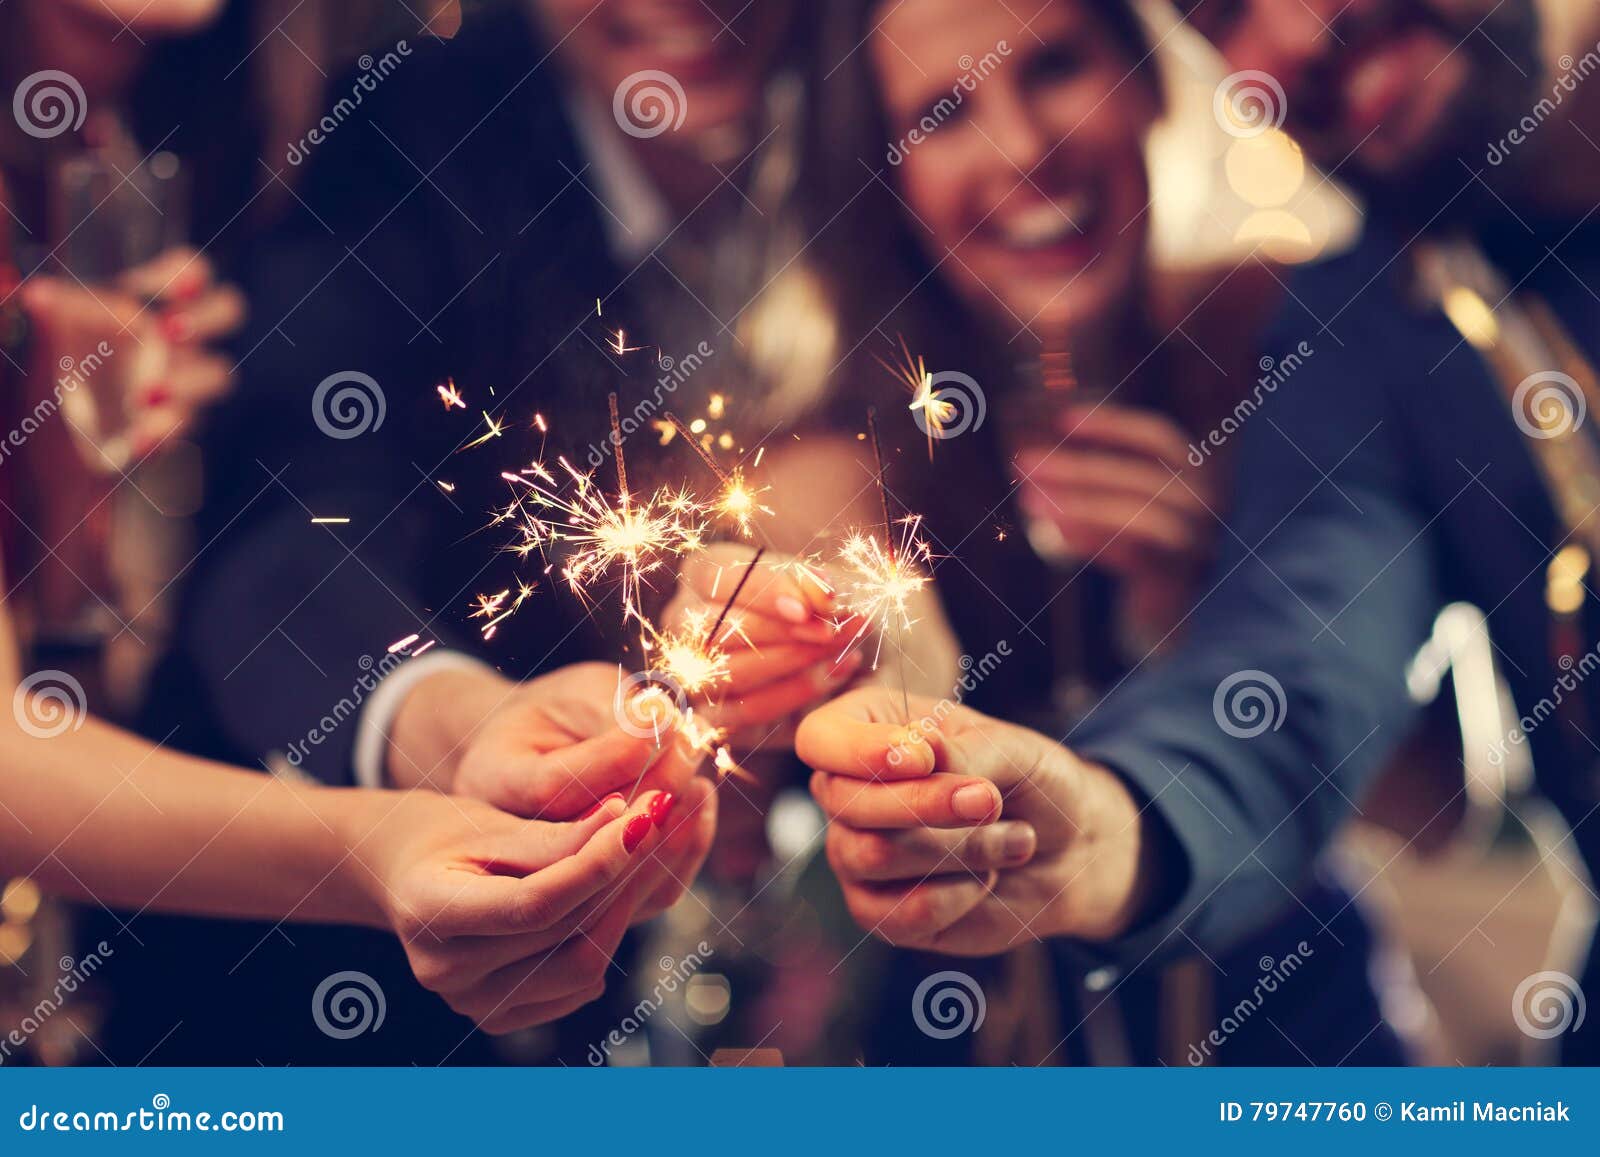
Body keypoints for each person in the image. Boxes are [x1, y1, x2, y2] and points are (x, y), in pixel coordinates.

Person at [802, 0, 1600, 1064]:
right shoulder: (1366, 332)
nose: (1300, 32)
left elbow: (1439, 797)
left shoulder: (1263, 330)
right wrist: (1098, 824)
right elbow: (1295, 685)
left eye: (1051, 69)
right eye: (1219, 7)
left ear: (1142, 81)